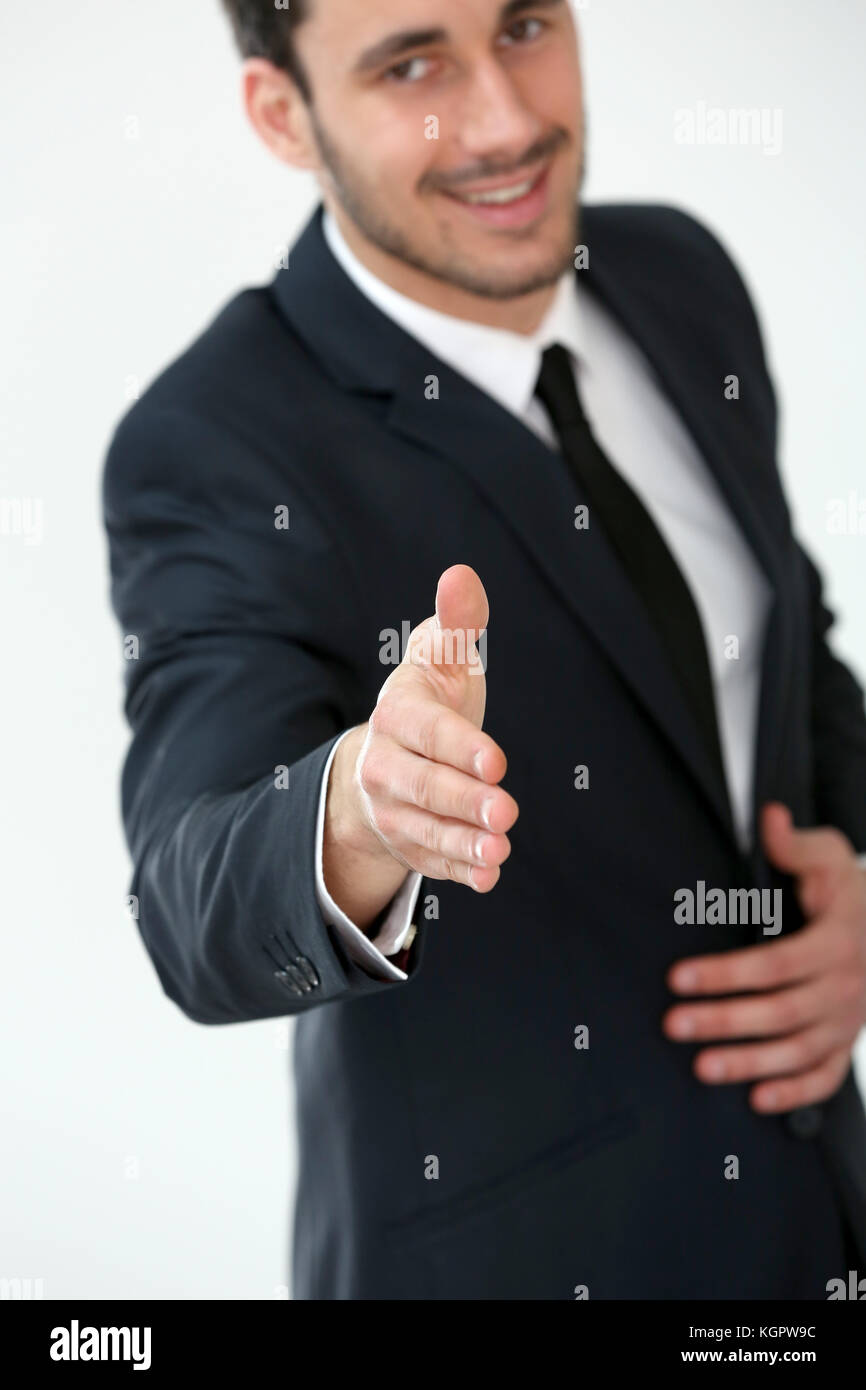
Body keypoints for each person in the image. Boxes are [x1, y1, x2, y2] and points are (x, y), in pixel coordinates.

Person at [103, 0, 866, 1298]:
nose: (510, 124)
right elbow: (191, 895)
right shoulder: (216, 438)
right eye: (409, 63)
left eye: (523, 25)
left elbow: (784, 652)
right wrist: (360, 811)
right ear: (284, 114)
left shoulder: (680, 278)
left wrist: (851, 861)